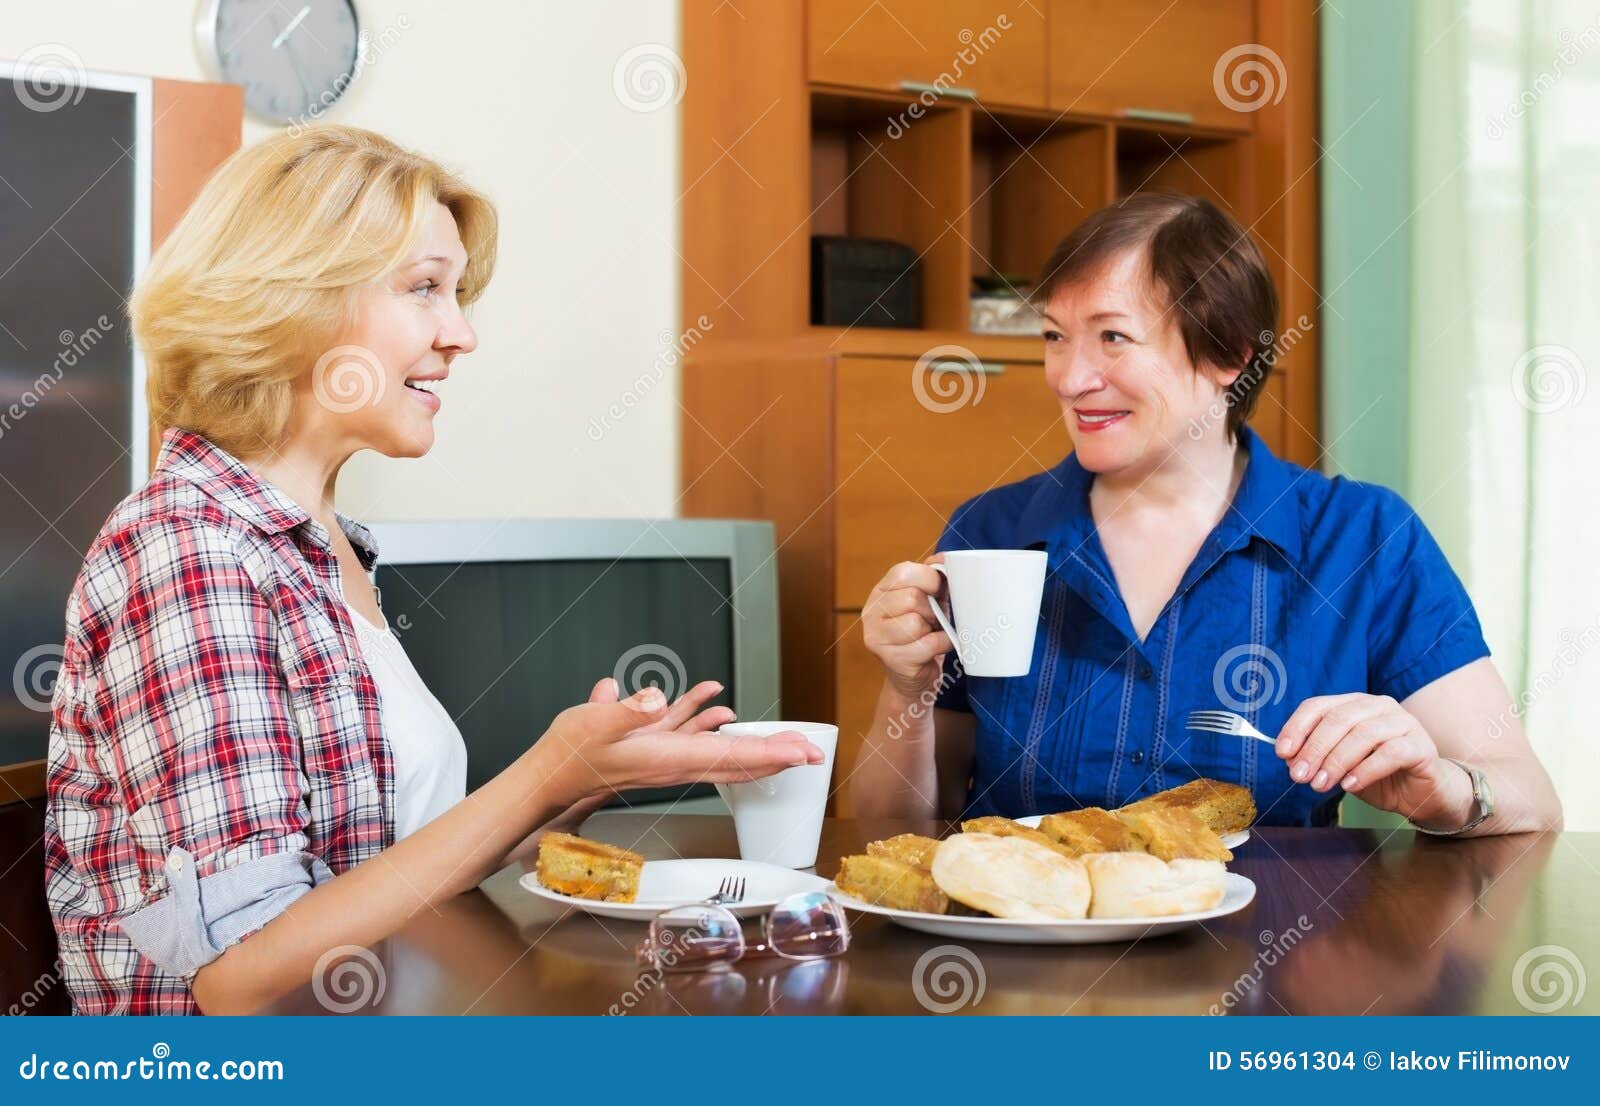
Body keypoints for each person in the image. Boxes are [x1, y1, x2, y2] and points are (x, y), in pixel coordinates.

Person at [43, 125, 824, 1015]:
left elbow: (382, 874)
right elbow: (245, 973)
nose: (462, 335)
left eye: (456, 294)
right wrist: (546, 770)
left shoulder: (322, 547)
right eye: (424, 290)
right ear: (292, 299)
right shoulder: (188, 550)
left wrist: (582, 784)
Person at [854, 192, 1561, 836]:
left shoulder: (1366, 539)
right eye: (1054, 336)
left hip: (1276, 964)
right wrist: (903, 692)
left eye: (1113, 337)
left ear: (1229, 354)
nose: (1070, 379)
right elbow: (892, 832)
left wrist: (1447, 789)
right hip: (1027, 966)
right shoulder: (992, 533)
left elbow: (1529, 799)